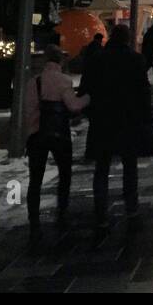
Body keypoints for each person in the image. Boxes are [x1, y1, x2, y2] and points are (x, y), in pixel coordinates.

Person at [90, 24, 152, 232]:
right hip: (128, 119)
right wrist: (146, 118)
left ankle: (100, 213)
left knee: (102, 168)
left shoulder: (98, 59)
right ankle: (131, 207)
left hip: (103, 119)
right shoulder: (136, 60)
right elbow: (144, 93)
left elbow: (88, 89)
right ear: (127, 39)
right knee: (129, 165)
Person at [23, 45, 89, 236]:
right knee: (64, 174)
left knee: (35, 179)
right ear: (61, 61)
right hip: (59, 134)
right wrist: (88, 98)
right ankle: (62, 209)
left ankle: (33, 216)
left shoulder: (33, 82)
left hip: (37, 135)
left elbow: (28, 110)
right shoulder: (63, 81)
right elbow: (74, 105)